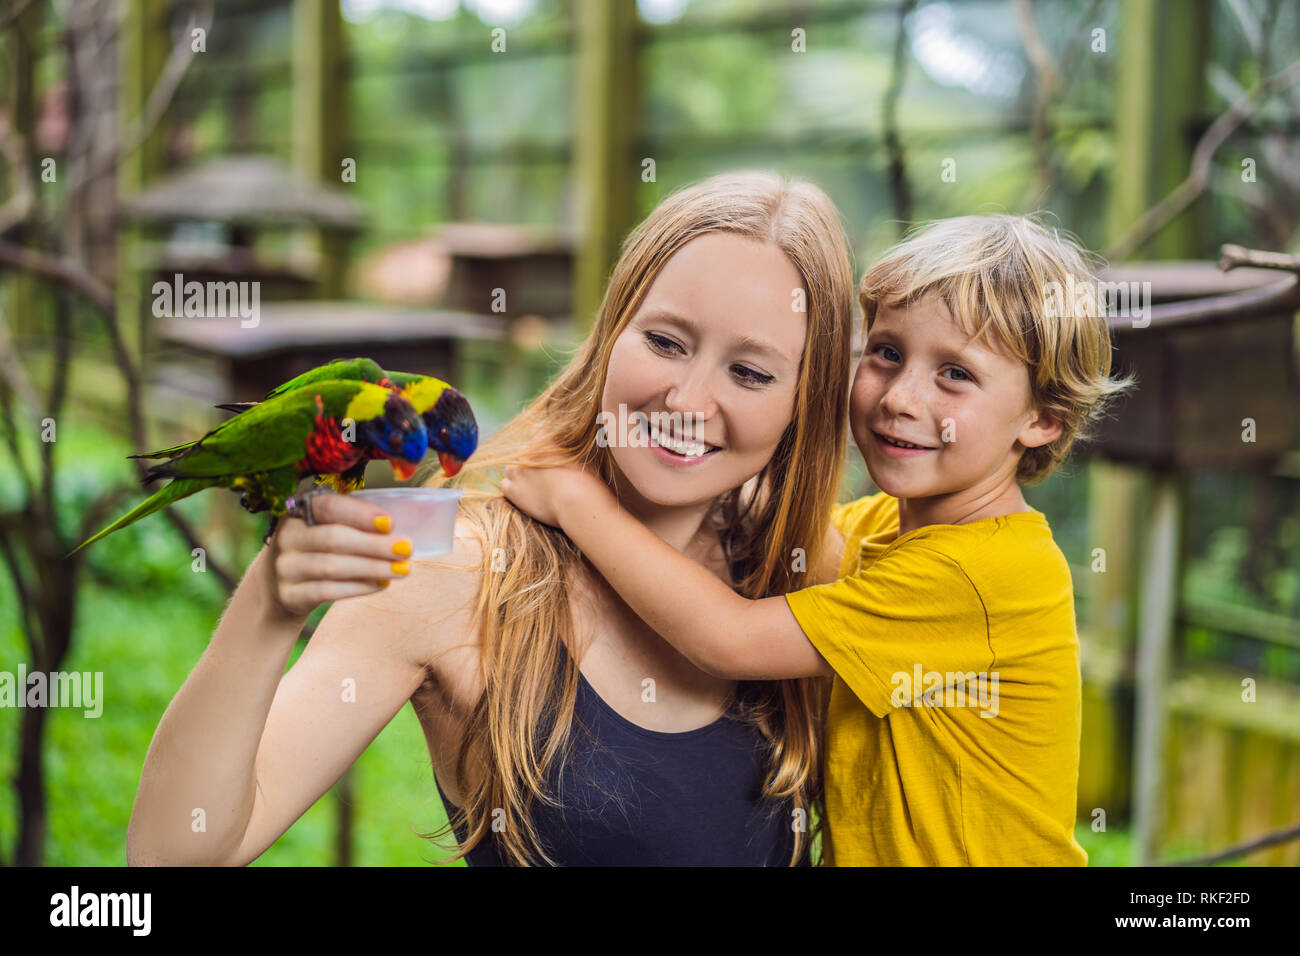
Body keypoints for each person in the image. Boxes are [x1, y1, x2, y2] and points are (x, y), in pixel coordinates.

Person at [125, 170, 856, 866]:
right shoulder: (453, 575)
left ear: (806, 403)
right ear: (609, 334)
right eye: (665, 341)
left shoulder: (802, 569)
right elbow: (177, 851)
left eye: (751, 372)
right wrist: (269, 605)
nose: (688, 400)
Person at [501, 214, 1136, 866]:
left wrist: (576, 502)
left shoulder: (982, 576)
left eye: (956, 375)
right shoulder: (879, 532)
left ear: (1042, 419)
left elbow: (732, 637)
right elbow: (774, 520)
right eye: (887, 353)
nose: (901, 398)